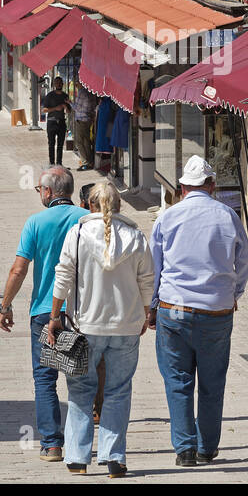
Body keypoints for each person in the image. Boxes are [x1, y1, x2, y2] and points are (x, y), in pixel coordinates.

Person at [149, 155, 248, 466]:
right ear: (212, 186)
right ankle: (207, 447)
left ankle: (184, 450)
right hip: (216, 311)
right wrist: (234, 293)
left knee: (178, 380)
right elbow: (245, 260)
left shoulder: (167, 217)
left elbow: (154, 266)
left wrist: (152, 305)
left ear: (182, 187)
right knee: (212, 381)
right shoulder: (227, 216)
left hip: (174, 308)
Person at [47, 182, 153, 478]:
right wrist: (146, 312)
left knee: (81, 390)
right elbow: (147, 279)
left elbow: (63, 276)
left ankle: (78, 458)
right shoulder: (135, 236)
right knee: (119, 391)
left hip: (84, 326)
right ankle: (114, 457)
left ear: (90, 205)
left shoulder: (78, 234)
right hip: (126, 327)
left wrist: (55, 316)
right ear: (118, 206)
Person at [0, 166, 87, 464]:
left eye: (39, 189)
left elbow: (18, 269)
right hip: (80, 312)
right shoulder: (85, 219)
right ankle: (80, 444)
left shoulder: (35, 222)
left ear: (48, 191)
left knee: (45, 380)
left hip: (44, 313)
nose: (40, 193)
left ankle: (52, 445)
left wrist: (5, 306)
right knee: (80, 379)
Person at [43, 77, 70, 166]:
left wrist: (66, 107)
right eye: (57, 83)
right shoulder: (50, 96)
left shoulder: (65, 96)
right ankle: (51, 163)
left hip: (62, 122)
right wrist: (55, 108)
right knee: (51, 144)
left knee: (60, 144)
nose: (58, 84)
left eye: (60, 83)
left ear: (62, 84)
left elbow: (69, 111)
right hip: (52, 122)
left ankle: (59, 163)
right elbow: (44, 110)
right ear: (54, 84)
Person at [71, 84, 97, 171]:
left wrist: (69, 102)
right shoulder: (91, 92)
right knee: (86, 141)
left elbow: (77, 108)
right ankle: (89, 161)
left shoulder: (82, 92)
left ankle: (85, 162)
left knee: (79, 142)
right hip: (88, 119)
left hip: (81, 119)